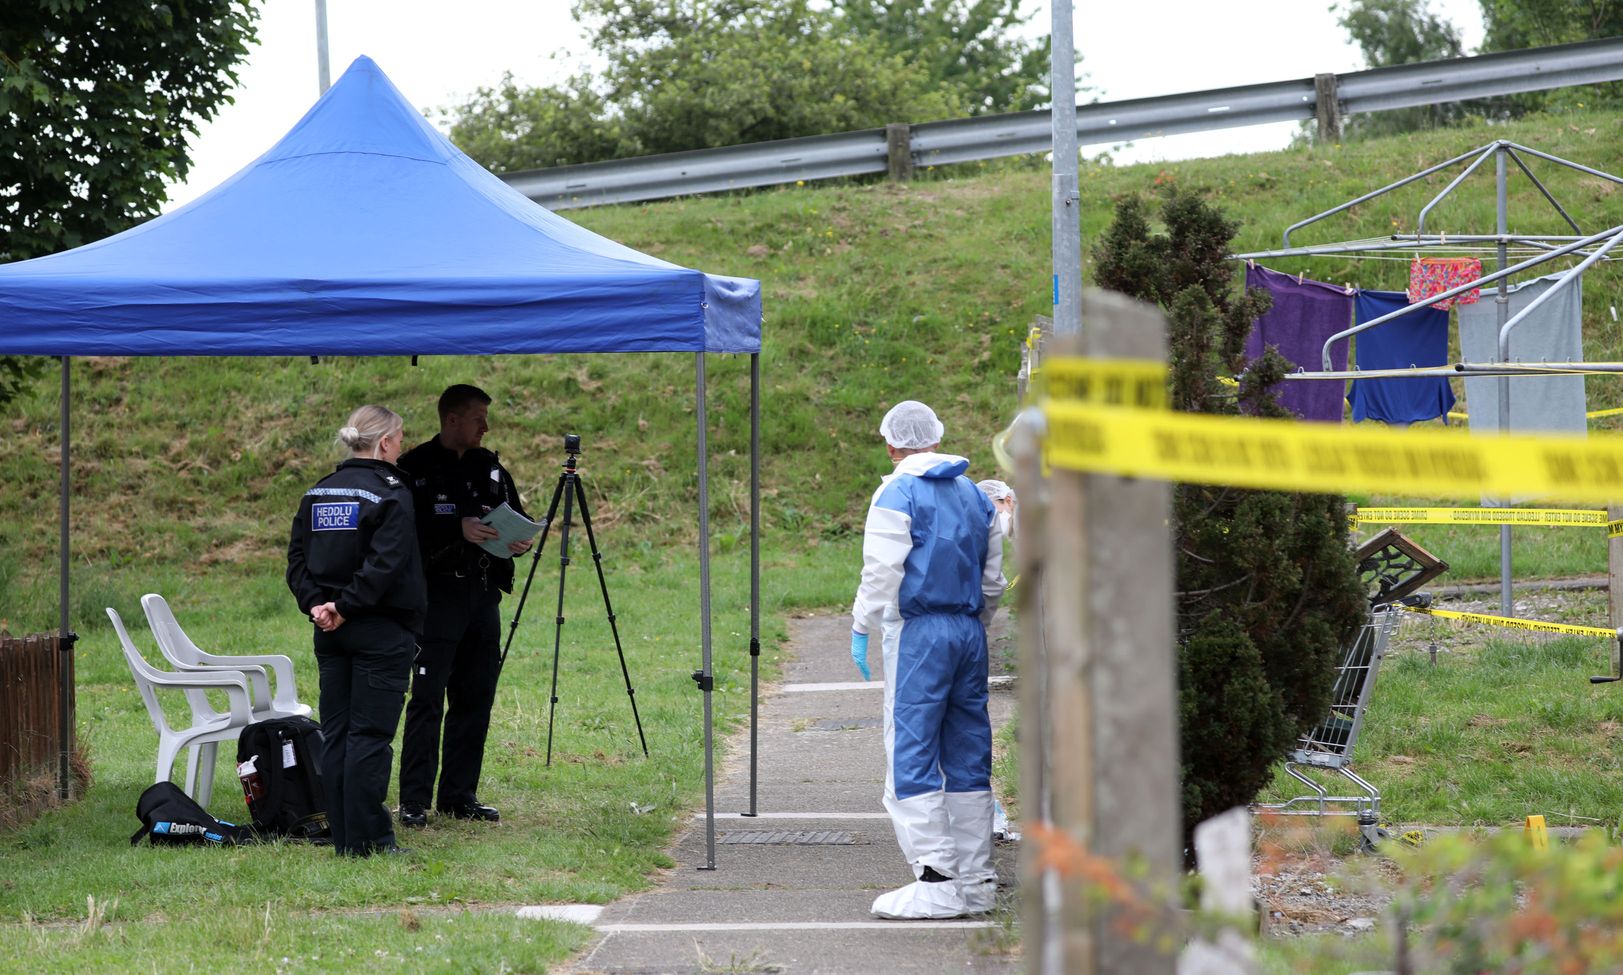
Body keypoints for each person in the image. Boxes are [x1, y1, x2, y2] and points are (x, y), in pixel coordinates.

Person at [851, 400, 1006, 919]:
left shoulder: (896, 491)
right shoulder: (973, 493)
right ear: (936, 438)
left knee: (911, 752)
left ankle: (937, 881)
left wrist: (860, 624)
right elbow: (992, 581)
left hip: (920, 633)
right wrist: (975, 625)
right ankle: (977, 879)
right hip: (968, 631)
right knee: (967, 750)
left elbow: (882, 570)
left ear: (891, 444)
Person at [286, 405, 425, 857]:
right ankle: (370, 842)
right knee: (370, 737)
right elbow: (386, 564)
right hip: (379, 630)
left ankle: (346, 837)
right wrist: (344, 607)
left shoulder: (318, 492)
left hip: (330, 630)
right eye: (401, 439)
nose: (402, 448)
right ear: (384, 442)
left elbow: (297, 562)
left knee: (339, 733)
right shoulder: (391, 493)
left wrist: (318, 606)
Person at [396, 384, 532, 827]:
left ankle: (459, 795)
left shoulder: (489, 467)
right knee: (427, 699)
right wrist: (458, 528)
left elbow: (512, 512)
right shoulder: (413, 469)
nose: (485, 427)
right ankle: (414, 800)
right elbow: (400, 535)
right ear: (453, 419)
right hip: (435, 598)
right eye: (479, 418)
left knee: (475, 696)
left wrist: (518, 540)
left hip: (481, 595)